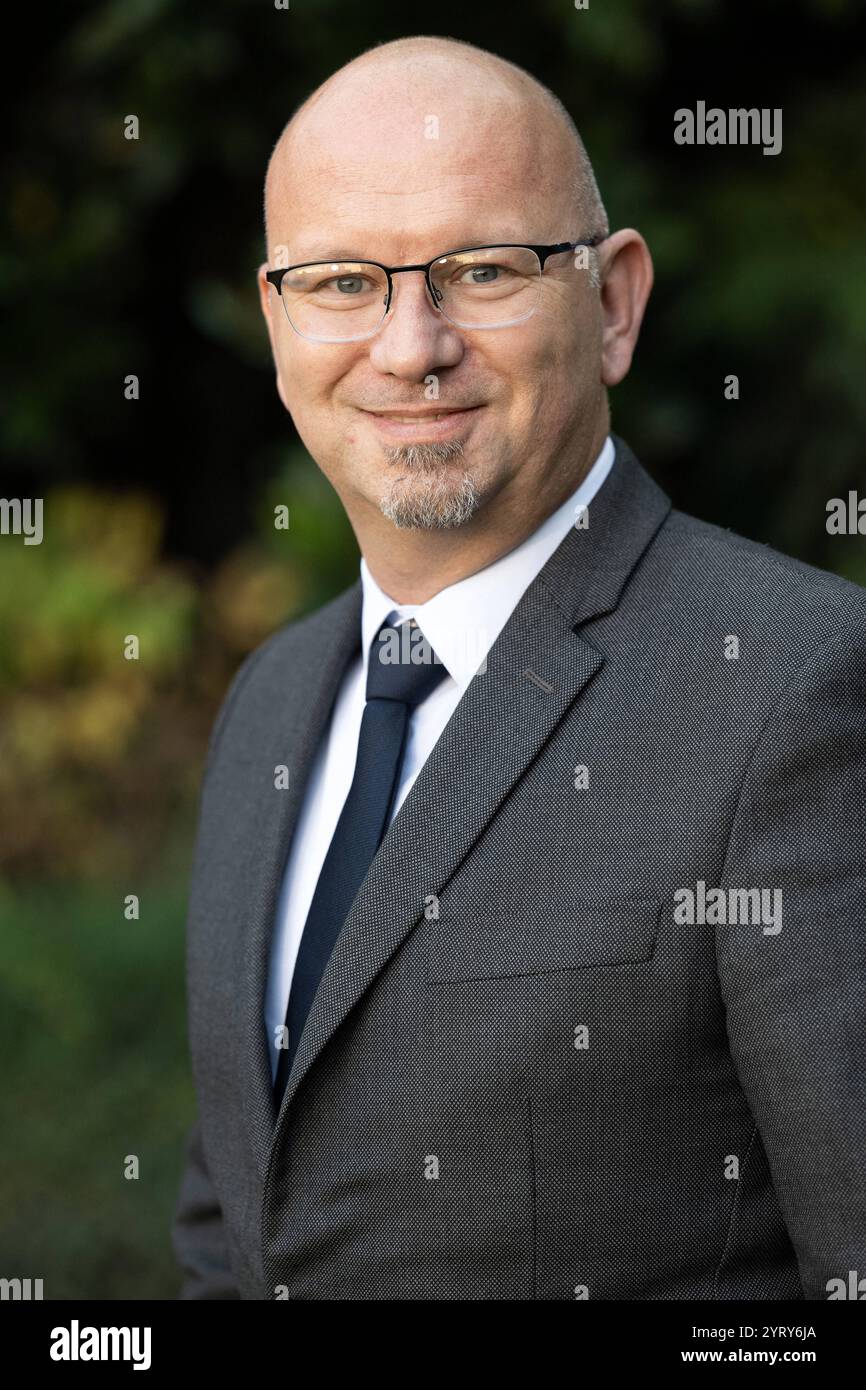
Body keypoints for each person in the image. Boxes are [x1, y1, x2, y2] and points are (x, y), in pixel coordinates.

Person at [171, 35, 866, 1300]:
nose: (406, 346)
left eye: (478, 269)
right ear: (273, 319)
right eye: (339, 283)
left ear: (611, 304)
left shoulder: (796, 689)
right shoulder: (266, 702)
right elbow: (236, 1235)